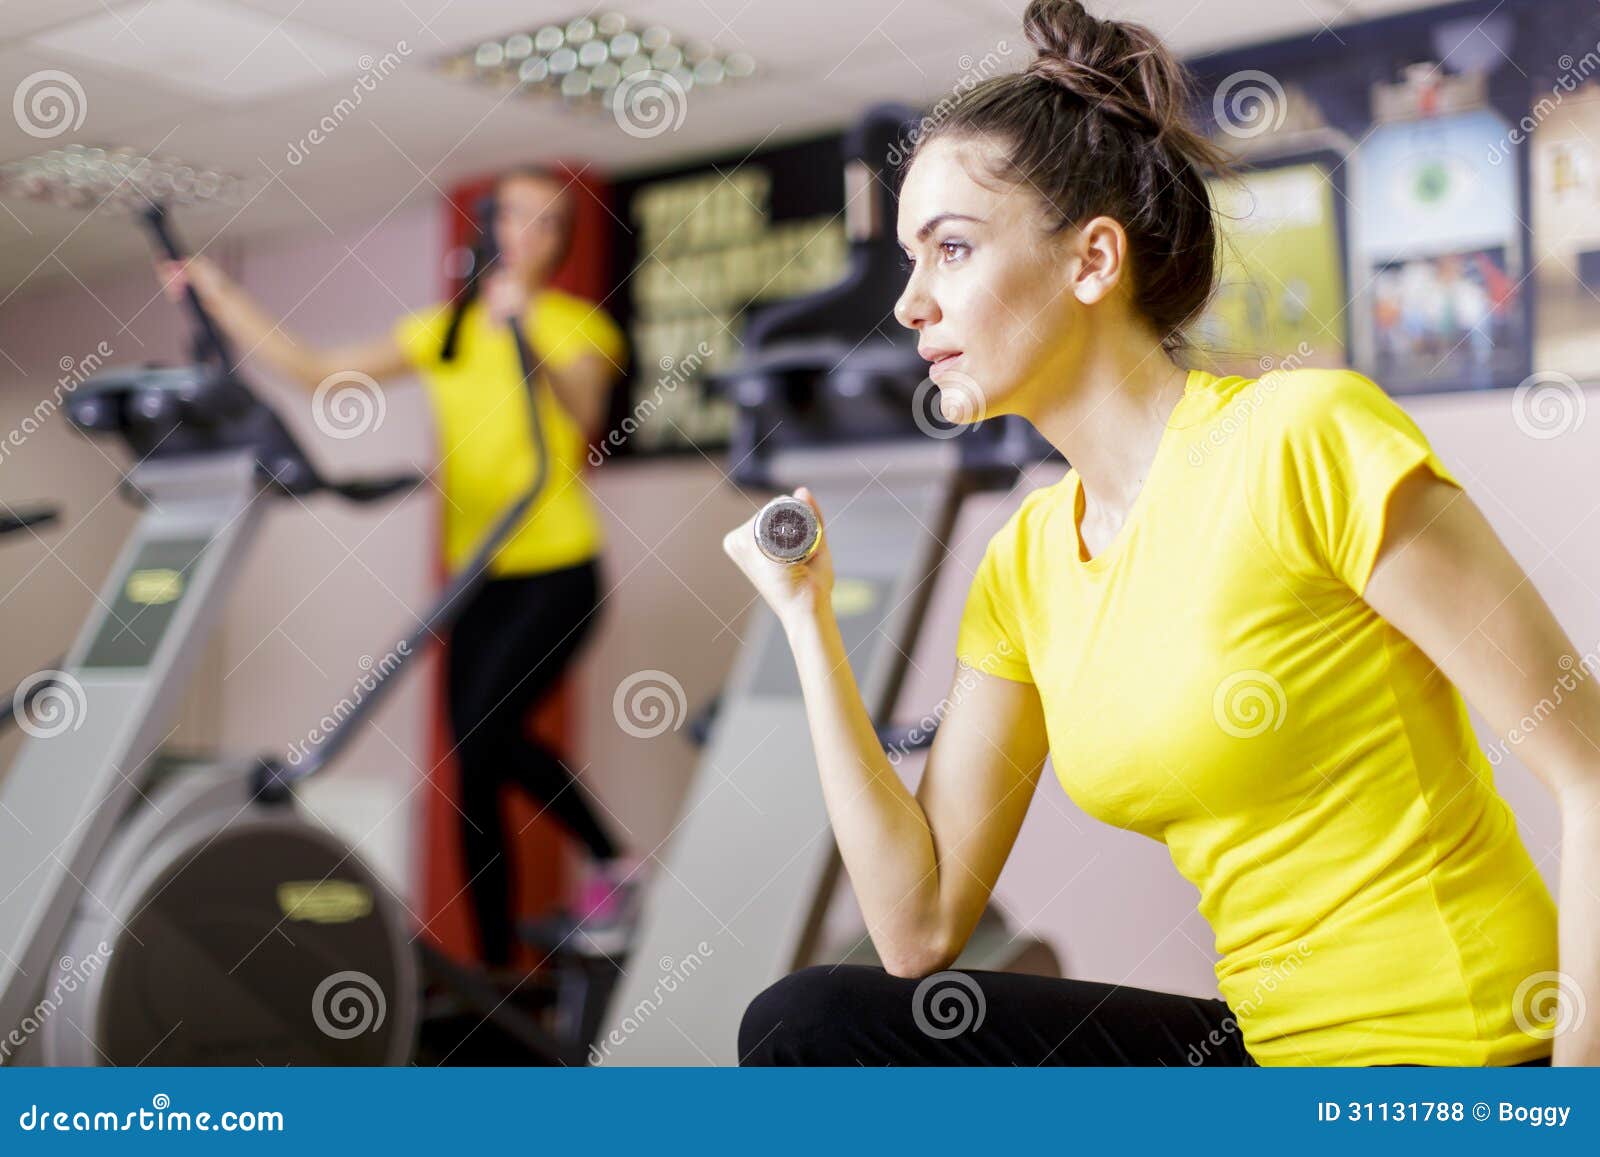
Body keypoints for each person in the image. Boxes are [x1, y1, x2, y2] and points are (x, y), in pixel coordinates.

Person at [724, 0, 1596, 1066]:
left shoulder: (1303, 436)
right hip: (1272, 1060)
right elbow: (917, 924)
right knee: (814, 1025)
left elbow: (1589, 770)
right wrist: (806, 620)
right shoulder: (1027, 562)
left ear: (1092, 261)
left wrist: (1566, 1108)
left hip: (1457, 1064)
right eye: (910, 258)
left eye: (950, 248)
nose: (910, 302)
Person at [158, 165, 640, 968]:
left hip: (560, 567)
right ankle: (495, 976)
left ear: (558, 242)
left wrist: (527, 338)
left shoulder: (577, 324)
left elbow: (586, 410)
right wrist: (217, 295)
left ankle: (613, 863)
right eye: (513, 215)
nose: (527, 232)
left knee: (489, 728)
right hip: (477, 577)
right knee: (472, 763)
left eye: (547, 222)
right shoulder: (444, 331)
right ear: (489, 228)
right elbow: (315, 371)